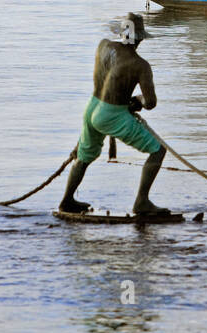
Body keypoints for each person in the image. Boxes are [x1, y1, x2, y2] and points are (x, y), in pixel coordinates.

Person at [60, 13, 169, 216]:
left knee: (83, 157)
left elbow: (109, 78)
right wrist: (138, 101)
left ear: (121, 33)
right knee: (158, 151)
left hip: (92, 106)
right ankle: (142, 202)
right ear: (141, 38)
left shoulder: (103, 46)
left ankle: (67, 201)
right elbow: (151, 102)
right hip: (112, 113)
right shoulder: (140, 65)